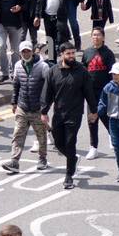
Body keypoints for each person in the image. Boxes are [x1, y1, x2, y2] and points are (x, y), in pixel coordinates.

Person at [42, 42, 88, 190]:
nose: (71, 56)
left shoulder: (81, 71)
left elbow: (89, 92)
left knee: (70, 142)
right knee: (58, 142)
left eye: (73, 53)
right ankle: (73, 158)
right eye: (68, 54)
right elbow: (47, 93)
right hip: (59, 114)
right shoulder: (53, 71)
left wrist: (93, 110)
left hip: (75, 114)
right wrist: (43, 112)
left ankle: (69, 175)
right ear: (61, 55)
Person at [4, 38, 49, 174]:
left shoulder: (43, 66)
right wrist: (14, 102)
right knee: (18, 134)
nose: (26, 54)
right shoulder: (17, 65)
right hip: (22, 107)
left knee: (41, 135)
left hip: (37, 108)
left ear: (32, 52)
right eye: (23, 51)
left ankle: (42, 158)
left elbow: (48, 87)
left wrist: (45, 107)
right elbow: (16, 85)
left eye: (28, 51)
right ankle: (14, 161)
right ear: (20, 53)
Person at [80, 26, 116, 161]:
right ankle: (93, 147)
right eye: (94, 35)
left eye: (98, 35)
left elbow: (113, 74)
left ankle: (112, 135)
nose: (96, 37)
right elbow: (82, 70)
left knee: (103, 115)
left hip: (104, 91)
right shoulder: (87, 52)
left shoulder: (108, 53)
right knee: (91, 119)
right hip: (90, 92)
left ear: (103, 37)